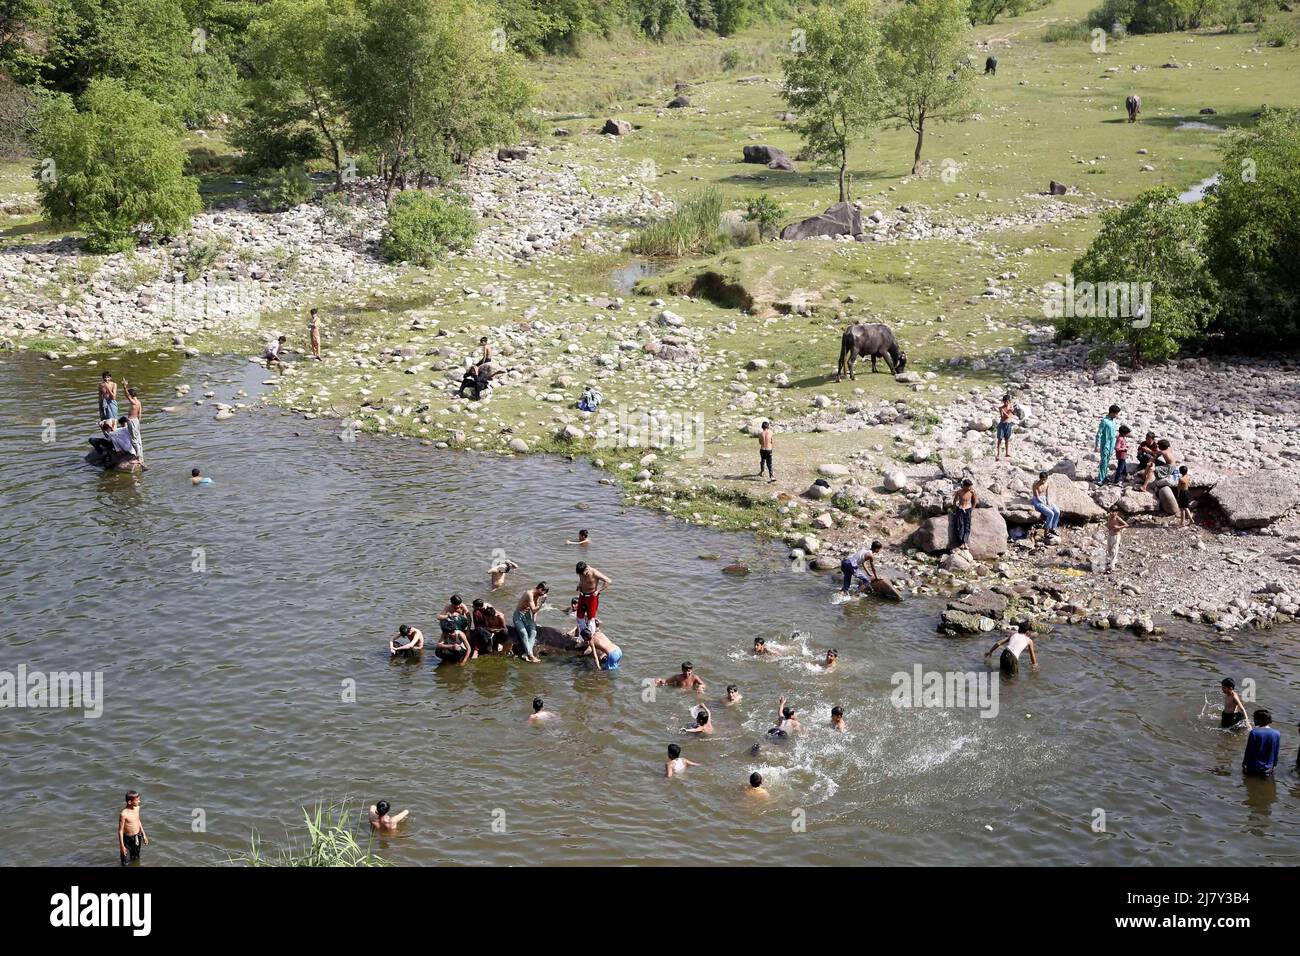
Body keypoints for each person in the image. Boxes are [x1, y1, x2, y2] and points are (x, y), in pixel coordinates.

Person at [513, 582, 548, 663]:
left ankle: (527, 653)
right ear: (539, 589)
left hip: (527, 616)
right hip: (518, 615)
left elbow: (534, 612)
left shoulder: (537, 596)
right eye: (543, 592)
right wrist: (542, 603)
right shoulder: (529, 594)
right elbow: (534, 609)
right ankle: (530, 656)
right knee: (524, 633)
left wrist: (534, 622)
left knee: (533, 632)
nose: (543, 594)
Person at [574, 561, 610, 637]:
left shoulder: (594, 572)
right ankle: (583, 636)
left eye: (584, 573)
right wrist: (579, 585)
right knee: (579, 617)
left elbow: (608, 581)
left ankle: (590, 638)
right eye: (580, 574)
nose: (582, 575)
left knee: (591, 619)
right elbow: (582, 581)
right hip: (582, 595)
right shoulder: (581, 571)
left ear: (586, 569)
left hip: (591, 596)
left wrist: (598, 591)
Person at [1242, 710, 1280, 777]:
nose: (1254, 720)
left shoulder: (1254, 732)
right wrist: (1274, 765)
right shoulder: (1277, 733)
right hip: (1268, 768)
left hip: (1253, 767)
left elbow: (1249, 750)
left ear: (1260, 720)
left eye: (1255, 718)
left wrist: (1244, 763)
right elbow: (1276, 751)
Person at [118, 790, 148, 865]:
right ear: (130, 802)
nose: (139, 801)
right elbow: (120, 831)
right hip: (127, 839)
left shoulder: (137, 808)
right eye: (137, 800)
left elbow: (138, 821)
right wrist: (122, 846)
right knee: (125, 861)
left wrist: (144, 835)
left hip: (137, 837)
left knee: (136, 857)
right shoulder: (123, 814)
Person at [1095, 404, 1120, 485]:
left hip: (1111, 445)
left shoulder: (1112, 421)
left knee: (1107, 461)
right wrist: (1097, 446)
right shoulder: (1104, 421)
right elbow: (1099, 433)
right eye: (1116, 413)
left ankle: (1104, 476)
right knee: (1103, 461)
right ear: (1112, 412)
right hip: (1105, 445)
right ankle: (1100, 479)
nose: (1117, 415)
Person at [121, 378, 144, 467]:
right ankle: (140, 457)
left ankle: (139, 459)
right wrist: (138, 423)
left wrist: (124, 386)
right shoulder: (139, 402)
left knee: (134, 441)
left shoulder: (134, 402)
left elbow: (126, 394)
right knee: (138, 440)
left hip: (132, 421)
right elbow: (140, 414)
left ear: (131, 395)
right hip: (136, 421)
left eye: (129, 395)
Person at [1030, 472, 1060, 539]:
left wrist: (1049, 502)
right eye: (1042, 479)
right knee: (1051, 513)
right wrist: (1045, 505)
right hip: (1038, 501)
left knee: (1057, 511)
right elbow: (1037, 497)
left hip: (1045, 499)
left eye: (1044, 479)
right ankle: (1046, 533)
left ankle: (1053, 528)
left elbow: (1047, 494)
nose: (1043, 481)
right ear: (1039, 478)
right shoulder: (1036, 485)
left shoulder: (1047, 483)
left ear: (1046, 479)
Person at [953, 479, 977, 547]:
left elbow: (975, 501)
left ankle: (965, 542)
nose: (970, 488)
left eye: (970, 486)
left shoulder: (972, 492)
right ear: (964, 486)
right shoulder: (959, 492)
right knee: (960, 526)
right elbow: (954, 501)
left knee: (967, 526)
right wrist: (955, 510)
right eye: (968, 487)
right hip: (960, 509)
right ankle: (961, 543)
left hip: (968, 509)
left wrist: (971, 509)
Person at [1104, 508, 1128, 573]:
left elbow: (1126, 524)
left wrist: (1118, 527)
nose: (1111, 513)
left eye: (1113, 512)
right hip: (1110, 535)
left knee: (1114, 550)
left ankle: (1112, 567)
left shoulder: (1118, 518)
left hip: (1116, 536)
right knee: (1109, 549)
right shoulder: (1110, 517)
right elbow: (1108, 524)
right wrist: (1107, 525)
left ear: (1116, 512)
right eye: (1111, 512)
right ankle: (1113, 560)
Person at [995, 394, 1014, 460]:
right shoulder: (1001, 408)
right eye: (1005, 401)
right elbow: (1002, 417)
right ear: (1003, 401)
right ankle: (998, 454)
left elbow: (1008, 416)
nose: (1006, 403)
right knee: (999, 439)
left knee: (1007, 439)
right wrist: (1002, 411)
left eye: (1007, 401)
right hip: (1002, 424)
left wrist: (1003, 411)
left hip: (1008, 424)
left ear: (1009, 401)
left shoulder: (1011, 407)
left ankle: (1007, 453)